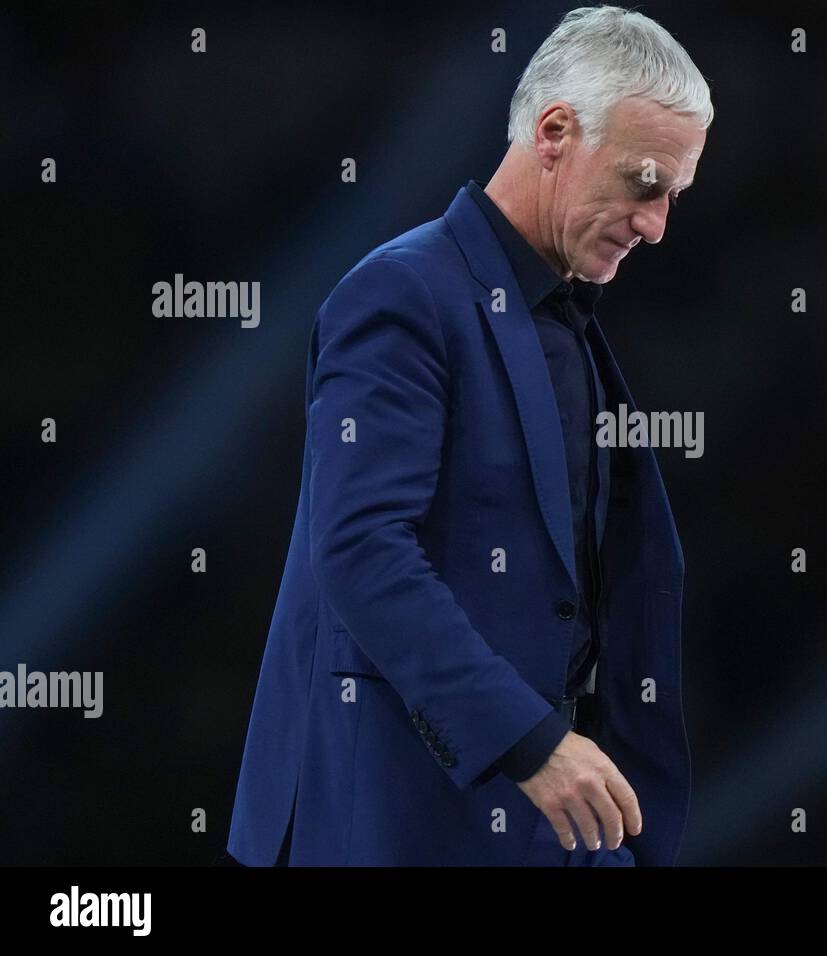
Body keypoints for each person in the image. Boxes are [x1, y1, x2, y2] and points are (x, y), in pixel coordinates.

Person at [225, 5, 711, 866]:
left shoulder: (568, 322)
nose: (658, 224)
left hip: (543, 825)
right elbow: (363, 551)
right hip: (397, 814)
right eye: (645, 184)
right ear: (555, 131)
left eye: (674, 194)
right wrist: (528, 741)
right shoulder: (401, 295)